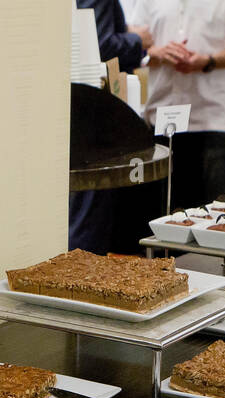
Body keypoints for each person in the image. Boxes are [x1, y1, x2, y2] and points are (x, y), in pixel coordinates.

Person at [129, 0, 225, 209]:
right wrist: (155, 53)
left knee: (218, 215)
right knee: (164, 215)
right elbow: (136, 39)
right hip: (163, 118)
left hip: (213, 118)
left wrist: (208, 61)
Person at [68, 1, 154, 254]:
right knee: (90, 216)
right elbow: (101, 44)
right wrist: (137, 39)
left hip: (83, 115)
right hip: (97, 120)